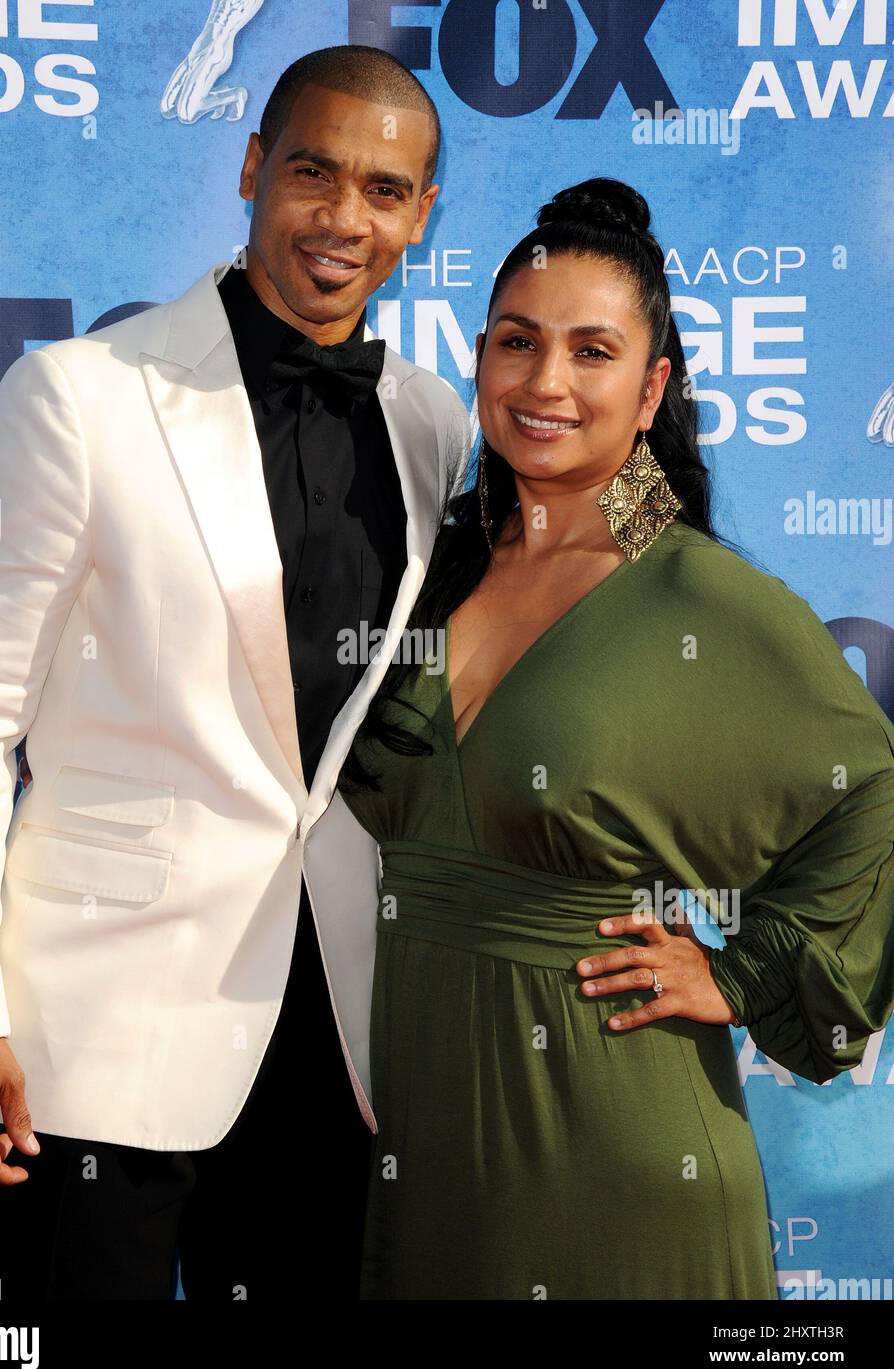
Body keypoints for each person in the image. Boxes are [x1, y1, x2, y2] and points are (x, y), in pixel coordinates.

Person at [0, 45, 469, 1300]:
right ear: (252, 168)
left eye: (384, 190)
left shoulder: (432, 420)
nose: (343, 217)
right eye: (314, 172)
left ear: (422, 216)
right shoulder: (81, 398)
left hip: (334, 1039)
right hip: (93, 1036)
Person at [336, 177, 894, 1300]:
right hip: (427, 1140)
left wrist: (743, 975)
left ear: (651, 391)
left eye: (592, 353)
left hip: (612, 1139)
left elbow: (870, 790)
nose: (544, 382)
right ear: (480, 356)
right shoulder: (439, 561)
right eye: (515, 341)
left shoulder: (691, 587)